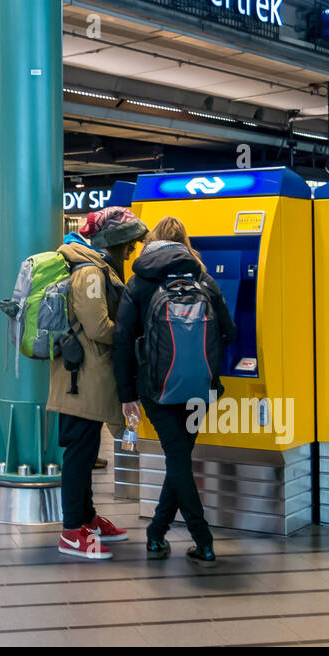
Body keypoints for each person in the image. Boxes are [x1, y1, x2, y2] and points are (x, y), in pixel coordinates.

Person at [113, 216, 236, 567]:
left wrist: (127, 395)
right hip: (199, 386)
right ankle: (157, 532)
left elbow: (122, 343)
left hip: (156, 387)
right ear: (184, 242)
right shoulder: (203, 278)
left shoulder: (138, 283)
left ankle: (203, 538)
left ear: (152, 241)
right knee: (179, 458)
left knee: (177, 459)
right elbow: (229, 330)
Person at [49, 207, 147, 560]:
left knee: (87, 451)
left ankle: (87, 518)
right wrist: (133, 336)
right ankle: (73, 531)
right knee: (79, 454)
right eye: (129, 245)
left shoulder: (95, 266)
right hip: (80, 379)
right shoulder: (89, 271)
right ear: (114, 242)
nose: (132, 252)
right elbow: (97, 327)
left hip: (88, 377)